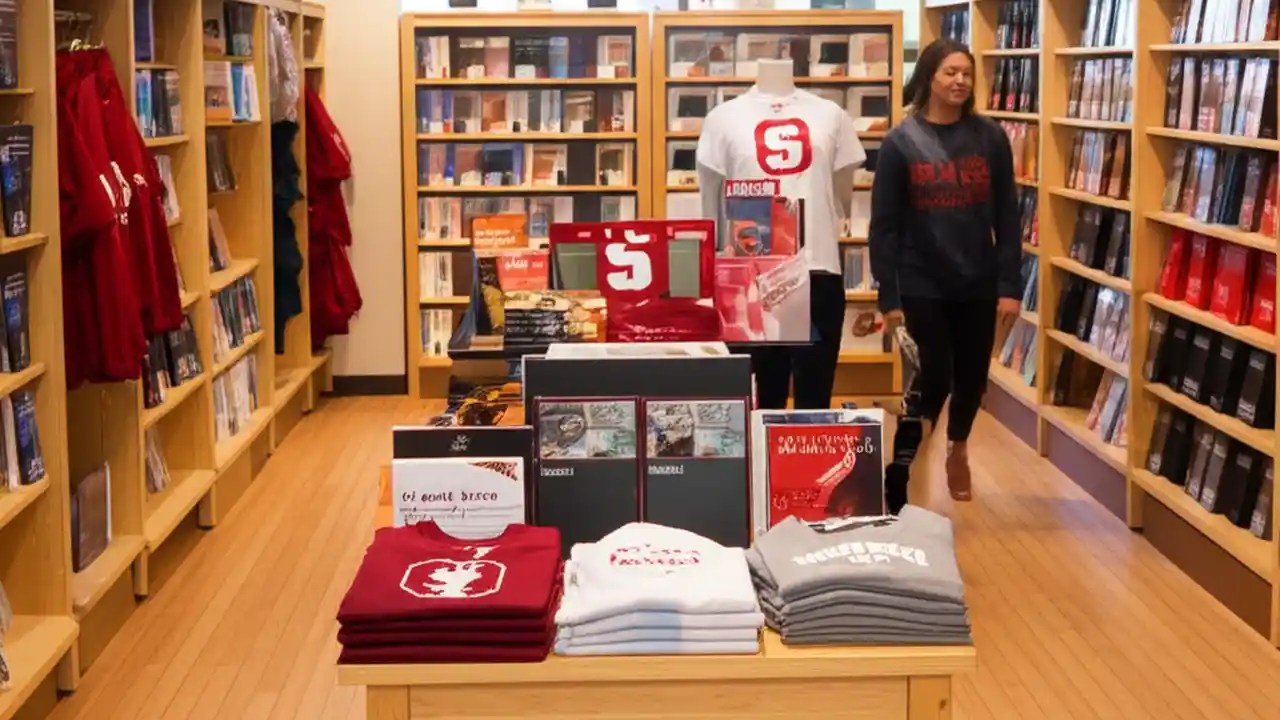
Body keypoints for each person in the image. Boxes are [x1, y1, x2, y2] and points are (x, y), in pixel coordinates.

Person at [868, 39, 1022, 502]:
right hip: (921, 281)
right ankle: (907, 465)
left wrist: (1009, 285)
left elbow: (1007, 217)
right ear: (929, 77)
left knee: (972, 376)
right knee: (933, 372)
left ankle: (958, 447)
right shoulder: (901, 143)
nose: (959, 81)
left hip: (976, 279)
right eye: (950, 72)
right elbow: (884, 227)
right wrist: (889, 297)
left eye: (966, 74)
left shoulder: (989, 138)